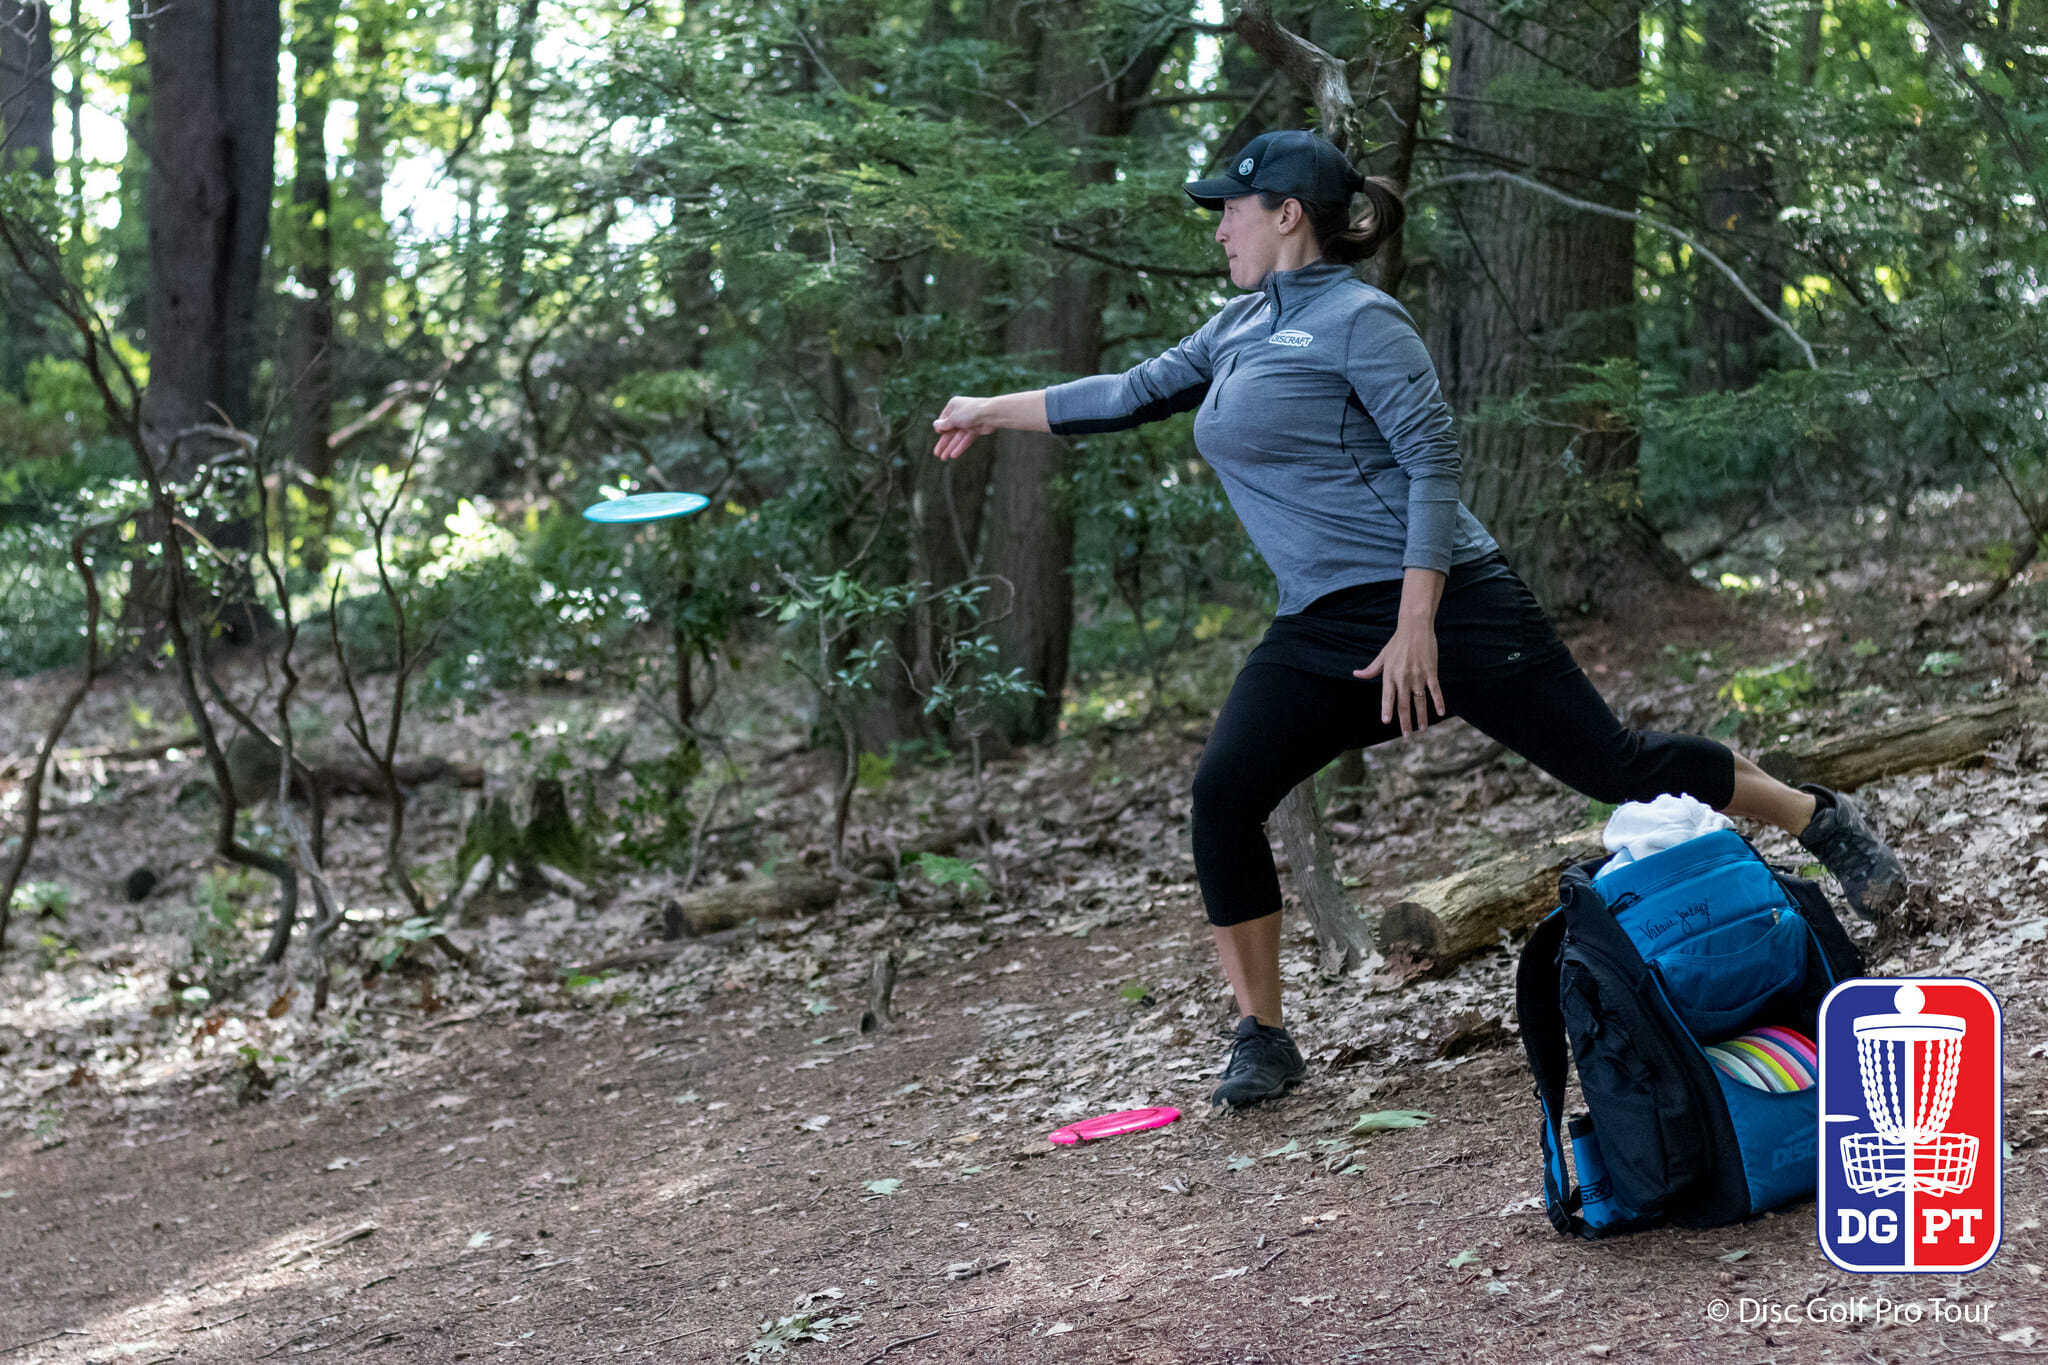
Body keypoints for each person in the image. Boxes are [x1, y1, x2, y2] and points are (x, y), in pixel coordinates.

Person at [929, 129, 1906, 1109]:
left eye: (1230, 206)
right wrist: (985, 406)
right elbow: (1123, 395)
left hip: (1453, 601)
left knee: (1613, 765)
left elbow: (1432, 467)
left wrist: (1414, 622)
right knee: (1224, 794)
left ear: (1285, 213)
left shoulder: (1363, 319)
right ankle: (1261, 1035)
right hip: (1320, 622)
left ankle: (1818, 817)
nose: (1216, 224)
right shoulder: (1232, 329)